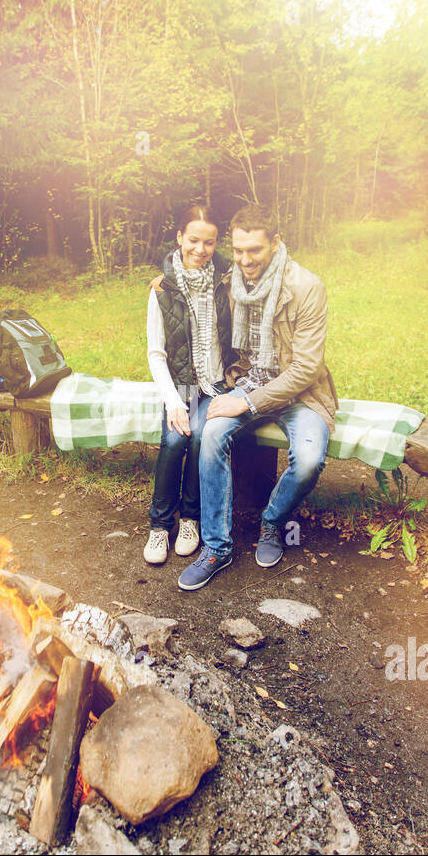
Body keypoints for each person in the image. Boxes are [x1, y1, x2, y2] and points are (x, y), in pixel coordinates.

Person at [178, 204, 338, 590]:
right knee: (211, 434)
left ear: (276, 243)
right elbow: (189, 275)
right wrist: (163, 280)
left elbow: (306, 370)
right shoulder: (232, 281)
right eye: (237, 250)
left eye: (255, 250)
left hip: (300, 394)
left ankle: (272, 522)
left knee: (310, 459)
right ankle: (217, 547)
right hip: (248, 381)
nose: (245, 260)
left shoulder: (306, 287)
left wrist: (247, 403)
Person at [144, 205, 237, 565]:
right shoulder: (162, 289)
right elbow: (156, 354)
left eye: (209, 242)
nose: (200, 249)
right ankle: (159, 525)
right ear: (180, 237)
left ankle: (191, 520)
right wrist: (174, 403)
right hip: (180, 386)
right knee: (174, 437)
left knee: (201, 437)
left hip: (216, 384)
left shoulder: (226, 281)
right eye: (193, 240)